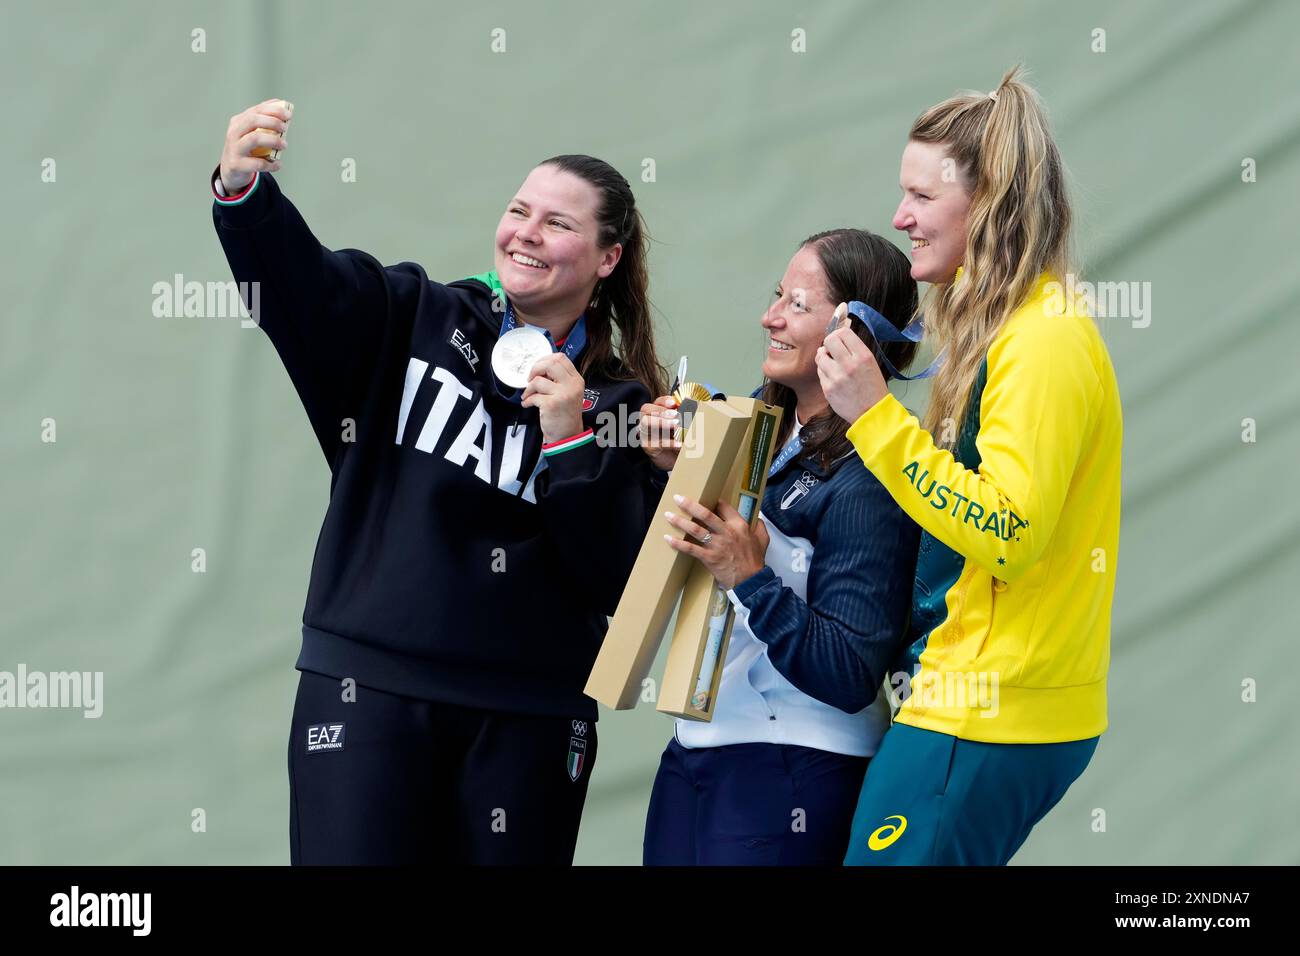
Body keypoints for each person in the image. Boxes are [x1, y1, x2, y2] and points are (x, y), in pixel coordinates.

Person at [210, 98, 667, 864]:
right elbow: (304, 288)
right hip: (367, 693)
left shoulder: (628, 410)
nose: (527, 232)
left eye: (558, 223)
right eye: (519, 210)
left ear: (607, 257)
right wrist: (243, 194)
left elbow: (622, 582)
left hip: (530, 718)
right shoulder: (410, 312)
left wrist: (569, 442)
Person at [816, 67, 1123, 865]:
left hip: (987, 712)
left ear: (988, 203)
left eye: (921, 196)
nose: (899, 217)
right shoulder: (1004, 334)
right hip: (968, 706)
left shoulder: (1043, 339)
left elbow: (1011, 531)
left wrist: (878, 419)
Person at [638, 229, 922, 865]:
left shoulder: (872, 473)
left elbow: (850, 672)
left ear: (853, 332)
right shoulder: (755, 434)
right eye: (777, 296)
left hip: (795, 762)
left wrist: (752, 577)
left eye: (797, 304)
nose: (770, 317)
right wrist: (671, 473)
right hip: (695, 748)